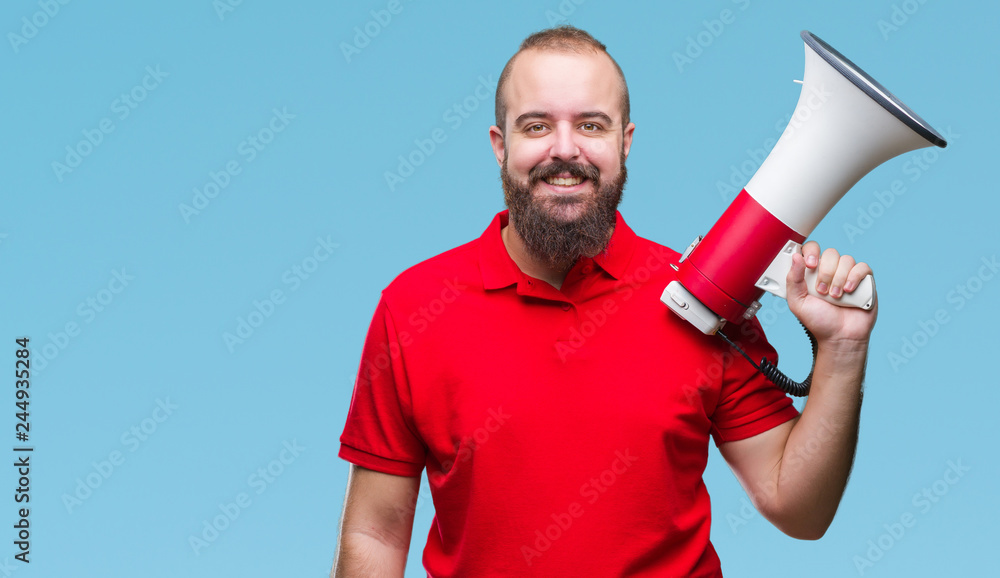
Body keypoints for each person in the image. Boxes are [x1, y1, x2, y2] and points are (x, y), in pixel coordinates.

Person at [332, 25, 877, 577]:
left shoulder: (702, 300)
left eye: (590, 125)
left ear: (625, 142)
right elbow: (374, 533)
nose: (564, 150)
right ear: (500, 146)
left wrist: (843, 351)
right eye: (537, 125)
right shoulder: (413, 307)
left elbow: (800, 509)